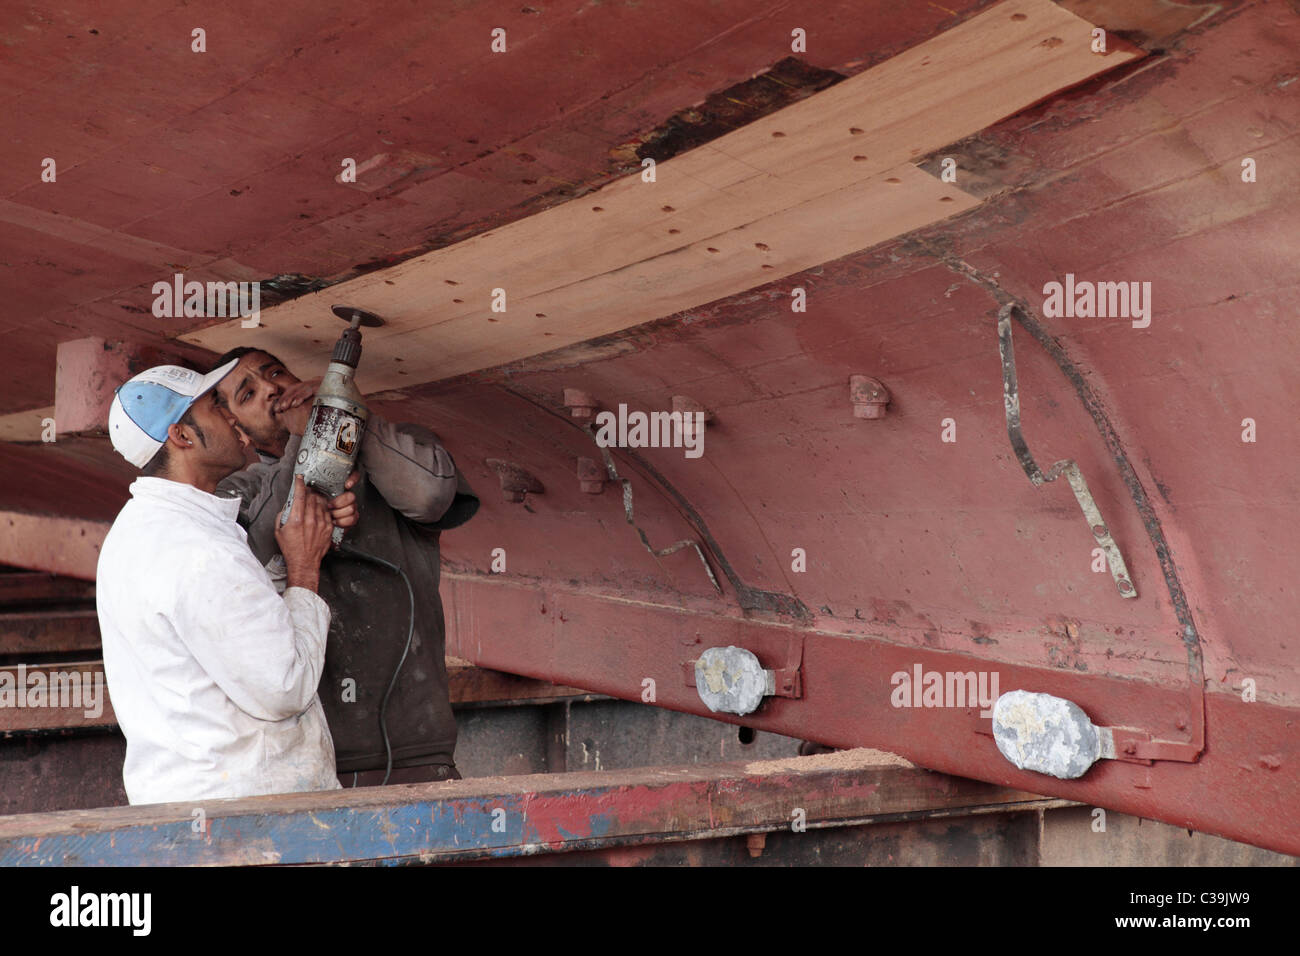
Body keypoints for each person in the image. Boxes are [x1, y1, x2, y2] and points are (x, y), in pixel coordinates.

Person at [210, 347, 479, 786]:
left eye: (276, 372)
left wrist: (343, 418)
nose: (273, 389)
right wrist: (305, 443)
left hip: (420, 751)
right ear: (238, 430)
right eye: (249, 393)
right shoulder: (237, 492)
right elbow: (250, 554)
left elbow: (431, 496)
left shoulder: (388, 451)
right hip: (310, 768)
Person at [97, 362, 355, 804]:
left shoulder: (143, 528)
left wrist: (296, 546)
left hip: (194, 800)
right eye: (215, 405)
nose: (232, 415)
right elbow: (283, 687)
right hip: (247, 813)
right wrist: (304, 566)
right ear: (182, 436)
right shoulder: (196, 549)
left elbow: (228, 626)